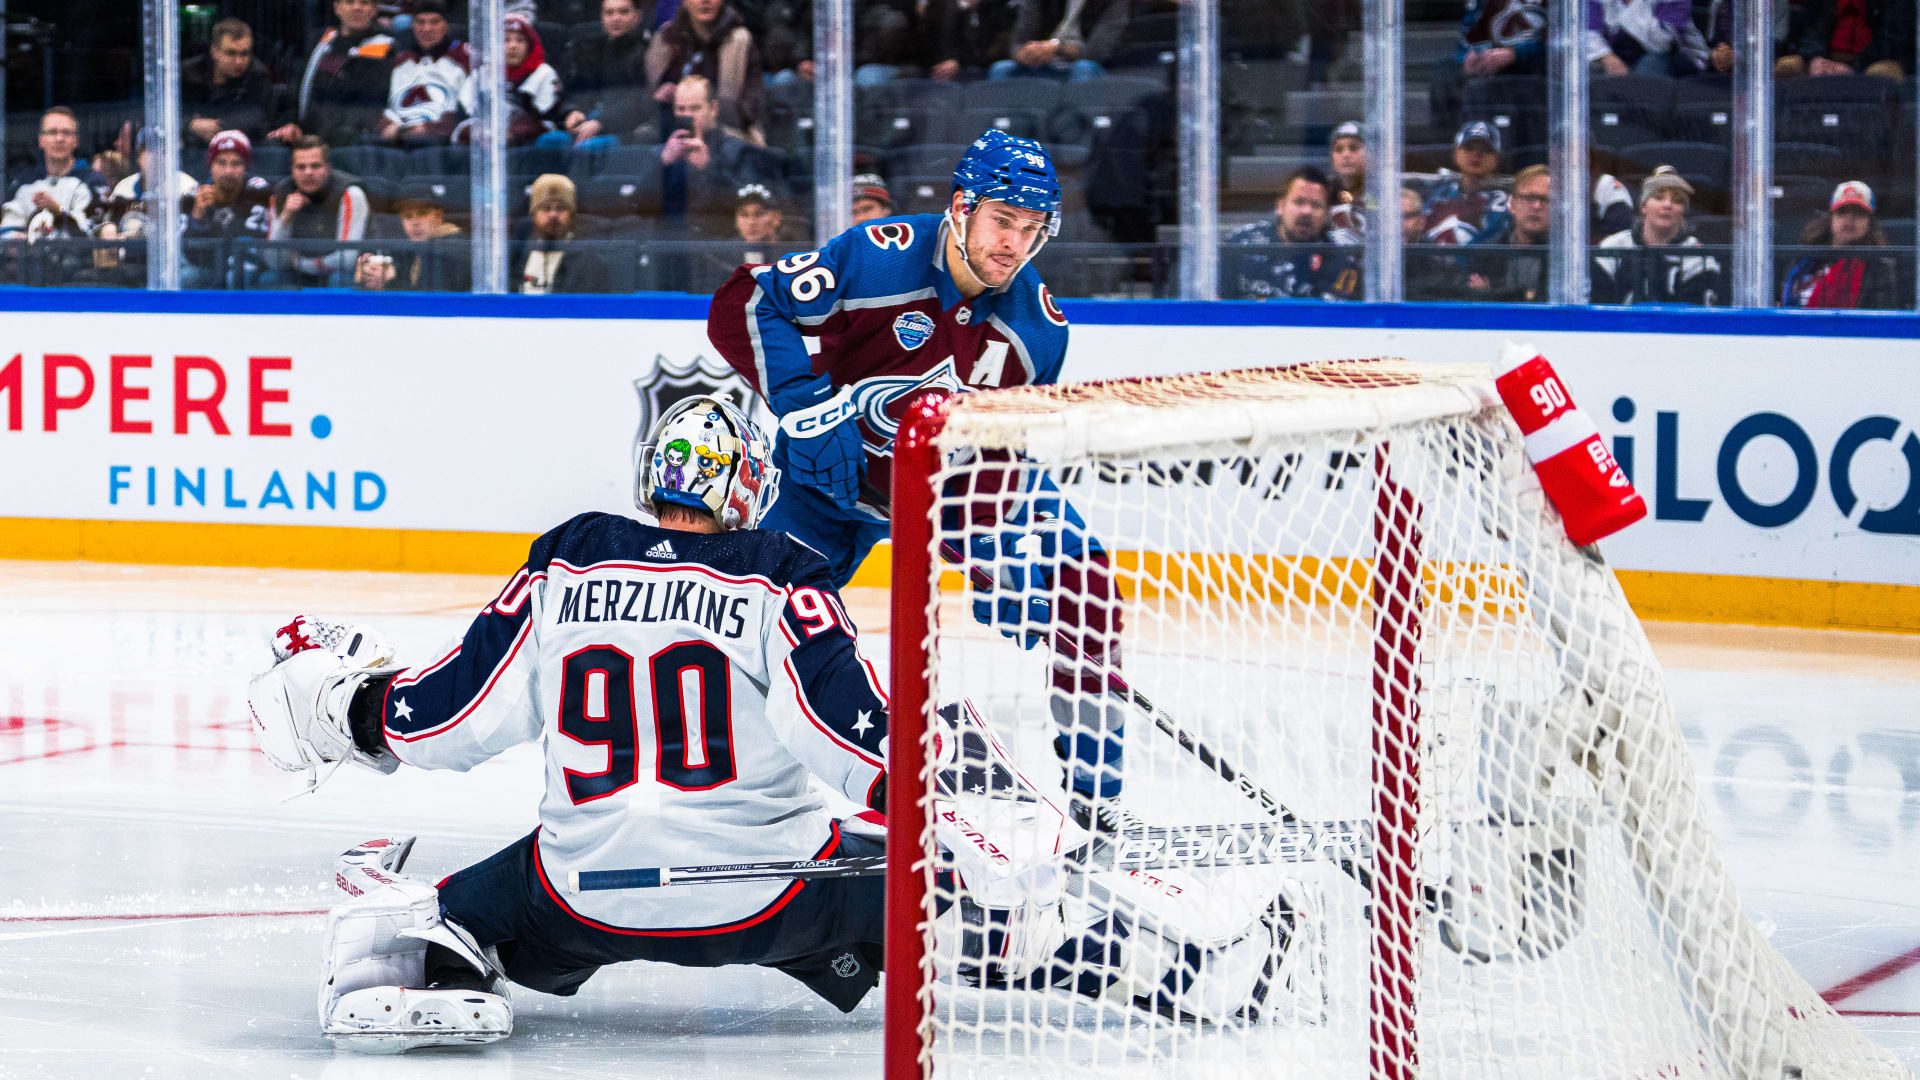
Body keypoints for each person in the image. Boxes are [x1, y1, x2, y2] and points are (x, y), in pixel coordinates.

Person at [243, 396, 895, 1048]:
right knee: (913, 881)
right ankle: (949, 937)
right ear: (745, 482)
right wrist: (928, 786)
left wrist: (352, 707)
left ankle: (445, 963)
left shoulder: (570, 558)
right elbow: (845, 728)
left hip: (576, 900)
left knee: (455, 911)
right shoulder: (782, 570)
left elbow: (452, 717)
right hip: (775, 900)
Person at [706, 131, 1131, 829]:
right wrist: (805, 409)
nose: (1014, 244)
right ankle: (716, 788)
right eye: (1002, 220)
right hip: (827, 490)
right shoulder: (879, 256)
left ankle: (1097, 797)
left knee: (1084, 589)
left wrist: (996, 556)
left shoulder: (1039, 333)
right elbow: (748, 301)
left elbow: (1004, 456)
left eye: (1031, 229)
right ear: (962, 208)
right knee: (747, 628)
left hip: (948, 496)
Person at [1, 107, 109, 283]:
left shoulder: (92, 181)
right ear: (41, 140)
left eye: (66, 133)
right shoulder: (24, 181)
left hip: (78, 276)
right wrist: (17, 240)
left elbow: (95, 233)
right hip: (27, 274)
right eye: (52, 132)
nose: (59, 138)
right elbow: (7, 228)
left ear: (76, 140)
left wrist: (58, 211)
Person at [1223, 166, 1361, 301]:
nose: (1306, 211)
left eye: (1316, 205)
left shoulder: (1342, 259)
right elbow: (1217, 303)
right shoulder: (1239, 245)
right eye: (1299, 202)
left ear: (1327, 214)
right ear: (1280, 206)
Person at [1591, 165, 1722, 306]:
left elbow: (1696, 315)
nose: (1667, 205)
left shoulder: (1698, 257)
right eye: (1659, 197)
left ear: (1684, 211)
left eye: (1677, 200)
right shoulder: (1613, 247)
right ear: (1643, 206)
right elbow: (1597, 305)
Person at [660, 75, 775, 235]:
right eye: (681, 109)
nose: (687, 116)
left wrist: (707, 169)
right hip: (671, 243)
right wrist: (663, 165)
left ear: (713, 108)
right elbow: (636, 207)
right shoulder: (665, 152)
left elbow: (748, 206)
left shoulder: (738, 150)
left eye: (695, 108)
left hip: (721, 242)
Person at [647, 0, 766, 145]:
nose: (705, 1)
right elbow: (643, 99)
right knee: (645, 136)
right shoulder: (666, 37)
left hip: (727, 128)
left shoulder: (739, 39)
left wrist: (706, 112)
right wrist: (660, 96)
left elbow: (751, 106)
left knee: (736, 142)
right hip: (672, 126)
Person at [282, 0, 397, 148]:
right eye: (349, 2)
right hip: (306, 134)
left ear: (374, 9)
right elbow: (297, 89)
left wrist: (316, 135)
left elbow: (367, 106)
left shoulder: (385, 46)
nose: (357, 8)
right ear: (337, 7)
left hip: (349, 140)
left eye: (364, 3)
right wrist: (290, 123)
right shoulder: (319, 40)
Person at [91, 130, 200, 284]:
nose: (156, 156)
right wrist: (108, 231)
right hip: (129, 265)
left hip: (173, 266)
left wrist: (131, 238)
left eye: (163, 151)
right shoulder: (124, 187)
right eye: (149, 150)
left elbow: (181, 236)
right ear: (138, 156)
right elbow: (105, 229)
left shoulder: (186, 186)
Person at [267, 136, 372, 288]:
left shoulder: (350, 193)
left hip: (340, 271)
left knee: (338, 281)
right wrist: (285, 218)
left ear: (328, 168)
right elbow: (274, 261)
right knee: (270, 279)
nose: (308, 172)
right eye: (301, 167)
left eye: (315, 166)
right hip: (298, 273)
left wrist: (301, 264)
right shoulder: (281, 194)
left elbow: (347, 258)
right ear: (292, 171)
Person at [1778, 180, 1901, 309]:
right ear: (1831, 218)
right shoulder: (1804, 260)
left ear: (1869, 223)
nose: (1849, 219)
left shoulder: (1878, 266)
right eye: (1842, 212)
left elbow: (1878, 314)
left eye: (1858, 213)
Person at [455, 15, 568, 146]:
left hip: (529, 146)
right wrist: (483, 132)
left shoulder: (543, 73)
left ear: (530, 45)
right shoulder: (481, 74)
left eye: (520, 40)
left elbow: (548, 121)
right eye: (506, 40)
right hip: (486, 143)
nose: (513, 46)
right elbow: (464, 119)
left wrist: (513, 133)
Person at [183, 130, 275, 290]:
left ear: (245, 167)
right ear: (210, 166)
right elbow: (190, 256)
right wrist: (198, 220)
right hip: (209, 266)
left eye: (236, 163)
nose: (228, 171)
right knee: (186, 276)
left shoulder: (259, 191)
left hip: (249, 267)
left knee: (237, 276)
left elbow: (248, 248)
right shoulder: (194, 195)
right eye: (221, 163)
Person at [557, 0, 655, 150]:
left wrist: (600, 123)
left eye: (623, 12)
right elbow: (576, 90)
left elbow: (639, 103)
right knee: (551, 141)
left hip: (623, 131)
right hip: (586, 123)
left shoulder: (646, 52)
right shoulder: (590, 49)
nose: (615, 18)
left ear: (637, 16)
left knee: (588, 147)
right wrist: (572, 111)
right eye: (609, 13)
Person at [378, 0, 471, 145]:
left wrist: (428, 129)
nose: (427, 28)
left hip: (441, 142)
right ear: (413, 26)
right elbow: (387, 109)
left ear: (446, 26)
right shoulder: (400, 62)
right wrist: (392, 128)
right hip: (398, 139)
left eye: (434, 22)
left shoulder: (464, 58)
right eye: (420, 22)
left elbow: (464, 113)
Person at [182, 18, 285, 147]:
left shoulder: (257, 75)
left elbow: (259, 119)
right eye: (231, 53)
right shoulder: (189, 74)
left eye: (244, 54)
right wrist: (190, 124)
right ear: (214, 51)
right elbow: (168, 115)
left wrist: (217, 126)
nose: (238, 61)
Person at [355, 180, 472, 292]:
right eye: (408, 216)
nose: (415, 222)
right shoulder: (411, 250)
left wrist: (391, 281)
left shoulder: (453, 247)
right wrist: (374, 279)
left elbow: (428, 300)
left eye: (422, 214)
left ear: (438, 216)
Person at [514, 173, 615, 293]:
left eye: (561, 208)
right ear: (534, 214)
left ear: (571, 215)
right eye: (546, 208)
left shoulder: (593, 264)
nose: (553, 214)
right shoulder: (515, 257)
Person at [1463, 162, 1550, 302]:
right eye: (1529, 198)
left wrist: (1491, 294)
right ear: (1512, 204)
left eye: (1545, 199)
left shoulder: (1567, 257)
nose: (1536, 206)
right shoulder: (1484, 253)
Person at [990, 0, 1127, 81]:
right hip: (1041, 62)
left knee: (1083, 68)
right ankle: (1006, 122)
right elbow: (1017, 43)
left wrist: (1056, 48)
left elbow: (1096, 53)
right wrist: (1023, 54)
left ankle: (1076, 123)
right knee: (1001, 69)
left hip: (1085, 64)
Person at [1421, 120, 1509, 245]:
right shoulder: (1438, 193)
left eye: (1486, 149)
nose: (1476, 154)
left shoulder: (1504, 200)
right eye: (1469, 148)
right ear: (1456, 153)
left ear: (1496, 158)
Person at [1777, 0, 1912, 79]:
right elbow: (1810, 28)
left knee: (1883, 73)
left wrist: (1855, 67)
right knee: (1787, 66)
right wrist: (1814, 58)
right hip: (1826, 56)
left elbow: (1892, 39)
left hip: (1873, 60)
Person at [1586, 0, 1709, 78]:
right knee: (1585, 71)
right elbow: (1586, 32)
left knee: (1649, 65)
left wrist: (1632, 3)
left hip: (1679, 56)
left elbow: (1661, 44)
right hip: (1618, 56)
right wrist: (1606, 56)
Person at [918, 0, 1016, 83]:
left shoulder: (996, 8)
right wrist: (951, 60)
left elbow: (995, 49)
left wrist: (959, 62)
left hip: (982, 68)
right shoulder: (948, 8)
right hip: (941, 67)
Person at [1326, 120, 1368, 244]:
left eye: (1354, 148)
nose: (1346, 154)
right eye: (1338, 149)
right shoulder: (1323, 193)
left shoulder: (1384, 191)